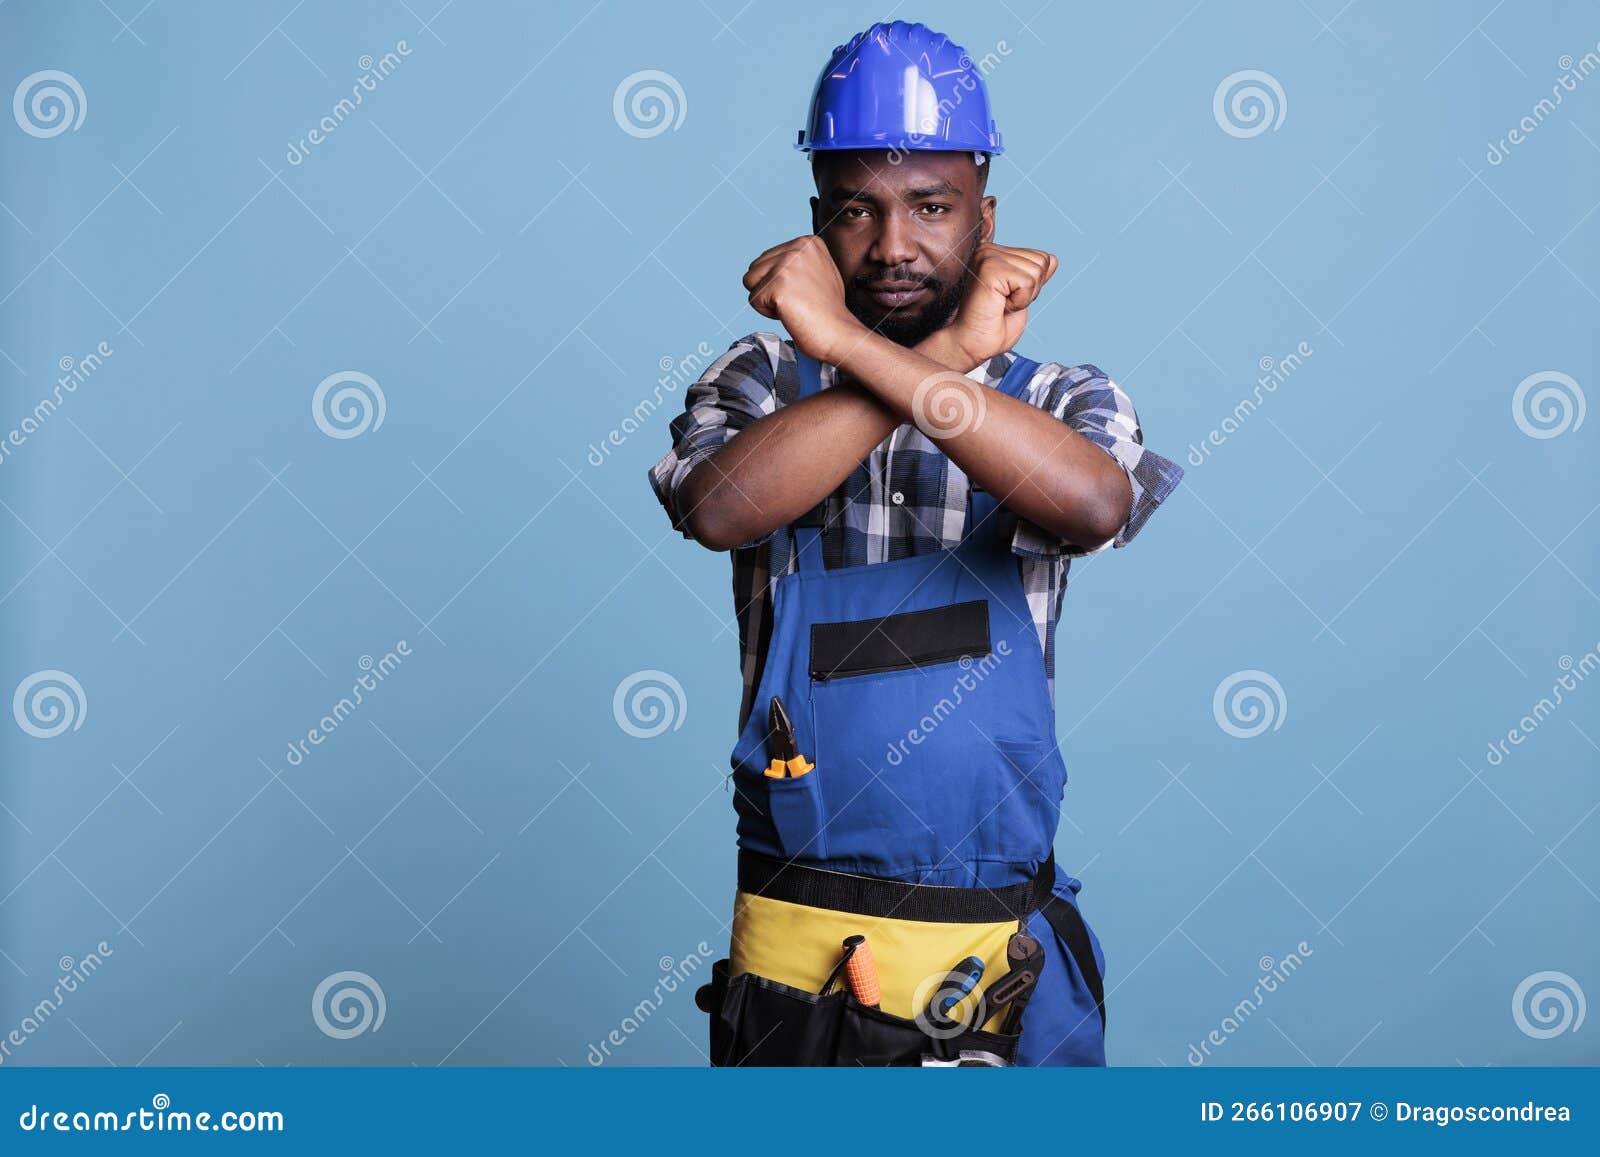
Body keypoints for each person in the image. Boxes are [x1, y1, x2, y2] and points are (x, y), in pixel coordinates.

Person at [649, 20, 1183, 1067]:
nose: (893, 244)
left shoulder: (1064, 396)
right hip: (800, 955)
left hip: (996, 958)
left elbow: (1092, 507)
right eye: (857, 209)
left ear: (988, 218)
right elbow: (719, 509)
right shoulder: (760, 379)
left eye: (931, 207)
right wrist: (938, 356)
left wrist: (847, 343)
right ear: (816, 225)